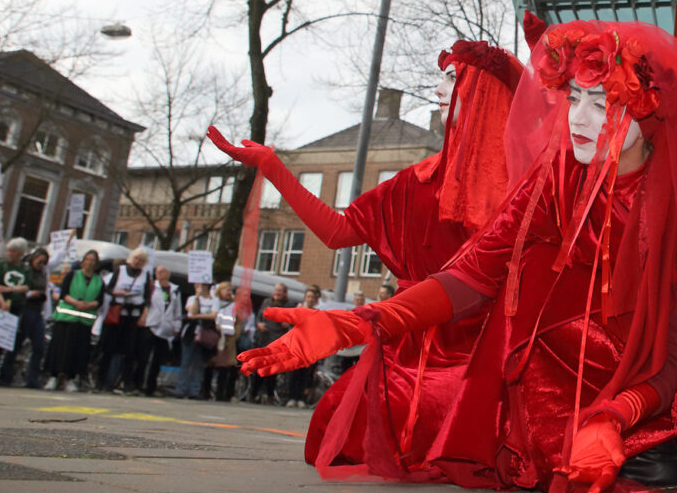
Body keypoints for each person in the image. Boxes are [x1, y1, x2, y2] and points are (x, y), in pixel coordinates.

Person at [239, 22, 677, 493]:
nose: (578, 120)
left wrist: (614, 414)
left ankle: (670, 449)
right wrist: (358, 323)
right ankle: (632, 451)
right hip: (592, 354)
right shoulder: (555, 176)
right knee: (517, 290)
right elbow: (476, 272)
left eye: (601, 104)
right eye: (572, 99)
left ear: (647, 108)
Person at [209, 40, 524, 442]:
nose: (438, 90)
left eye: (452, 78)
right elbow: (338, 232)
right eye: (441, 79)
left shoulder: (525, 186)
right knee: (339, 429)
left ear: (490, 91)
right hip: (409, 349)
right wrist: (273, 167)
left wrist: (356, 323)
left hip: (489, 356)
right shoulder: (414, 182)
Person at [43, 251, 105, 392]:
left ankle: (71, 378)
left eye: (92, 260)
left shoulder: (98, 280)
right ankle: (53, 376)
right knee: (59, 348)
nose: (89, 262)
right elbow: (64, 293)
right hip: (66, 319)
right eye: (87, 259)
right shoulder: (73, 275)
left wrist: (88, 305)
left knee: (78, 351)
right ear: (83, 261)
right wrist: (76, 302)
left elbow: (100, 300)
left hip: (83, 321)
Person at [98, 248, 151, 393]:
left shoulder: (145, 275)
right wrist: (118, 293)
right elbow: (108, 289)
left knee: (130, 351)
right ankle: (101, 381)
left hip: (133, 315)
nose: (137, 262)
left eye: (141, 260)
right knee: (109, 349)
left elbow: (147, 298)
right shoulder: (120, 270)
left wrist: (144, 315)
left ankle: (127, 383)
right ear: (130, 258)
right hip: (117, 313)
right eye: (135, 259)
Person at [0, 247, 50, 388]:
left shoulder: (43, 273)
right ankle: (5, 375)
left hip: (37, 310)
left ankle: (32, 379)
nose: (41, 263)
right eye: (40, 260)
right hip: (25, 308)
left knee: (39, 346)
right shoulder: (25, 271)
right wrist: (29, 293)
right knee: (16, 343)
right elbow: (19, 287)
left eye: (44, 261)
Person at [0, 238, 31, 384]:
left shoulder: (25, 269)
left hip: (14, 305)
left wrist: (10, 289)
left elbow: (26, 287)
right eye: (9, 250)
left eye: (13, 251)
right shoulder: (1, 265)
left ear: (20, 253)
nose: (10, 253)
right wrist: (2, 302)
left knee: (1, 339)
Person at [140, 266, 183, 396]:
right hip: (151, 324)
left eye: (163, 272)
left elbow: (177, 310)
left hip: (165, 328)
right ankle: (139, 383)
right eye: (158, 272)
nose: (160, 274)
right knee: (144, 356)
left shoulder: (175, 290)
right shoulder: (152, 287)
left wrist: (177, 326)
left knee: (158, 359)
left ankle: (151, 387)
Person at [246, 283, 291, 404]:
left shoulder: (288, 305)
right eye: (276, 290)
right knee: (259, 367)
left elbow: (288, 323)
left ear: (284, 293)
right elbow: (259, 317)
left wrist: (285, 322)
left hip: (276, 339)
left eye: (280, 291)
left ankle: (270, 395)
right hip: (263, 338)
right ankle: (254, 394)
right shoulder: (266, 302)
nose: (277, 293)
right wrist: (258, 324)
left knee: (272, 369)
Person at [173, 281, 218, 399]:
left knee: (198, 363)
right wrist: (197, 297)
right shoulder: (192, 298)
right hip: (191, 333)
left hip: (205, 333)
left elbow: (213, 315)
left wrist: (198, 316)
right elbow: (191, 312)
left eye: (200, 285)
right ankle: (181, 388)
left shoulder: (214, 300)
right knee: (186, 361)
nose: (197, 287)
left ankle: (194, 389)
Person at [210, 281, 241, 402]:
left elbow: (238, 322)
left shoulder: (234, 306)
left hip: (229, 339)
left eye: (230, 290)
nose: (229, 292)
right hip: (215, 337)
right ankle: (206, 391)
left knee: (226, 367)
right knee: (211, 364)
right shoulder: (215, 303)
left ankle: (222, 394)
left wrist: (235, 334)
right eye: (226, 290)